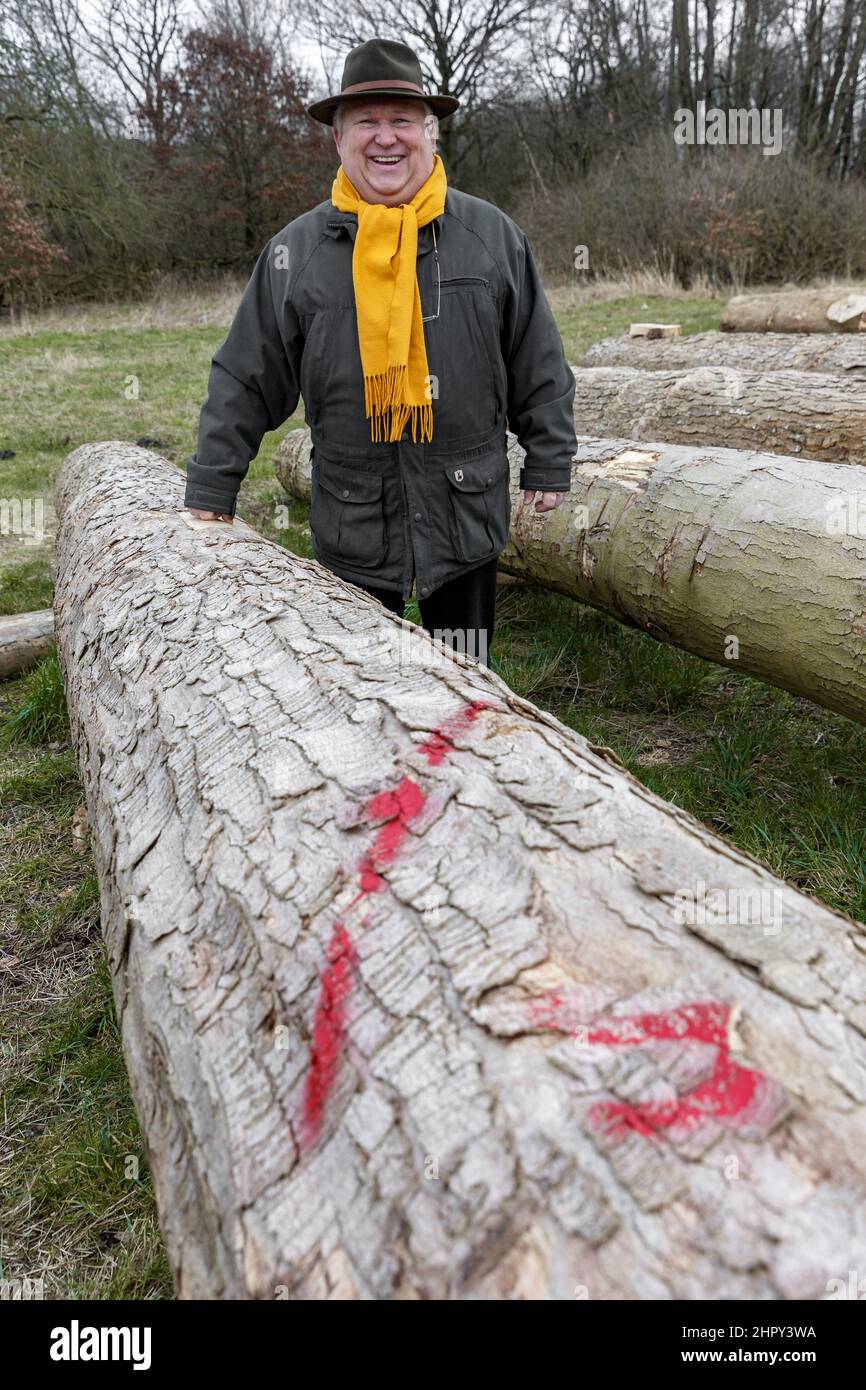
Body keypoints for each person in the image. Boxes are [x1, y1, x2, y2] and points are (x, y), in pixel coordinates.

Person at [185, 37, 577, 668]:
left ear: (430, 133)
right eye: (366, 122)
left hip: (465, 511)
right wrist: (213, 482)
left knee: (466, 683)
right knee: (362, 691)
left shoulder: (490, 236)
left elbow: (537, 355)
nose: (386, 138)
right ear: (337, 139)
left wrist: (550, 457)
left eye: (402, 120)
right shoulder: (297, 253)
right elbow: (245, 374)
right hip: (354, 520)